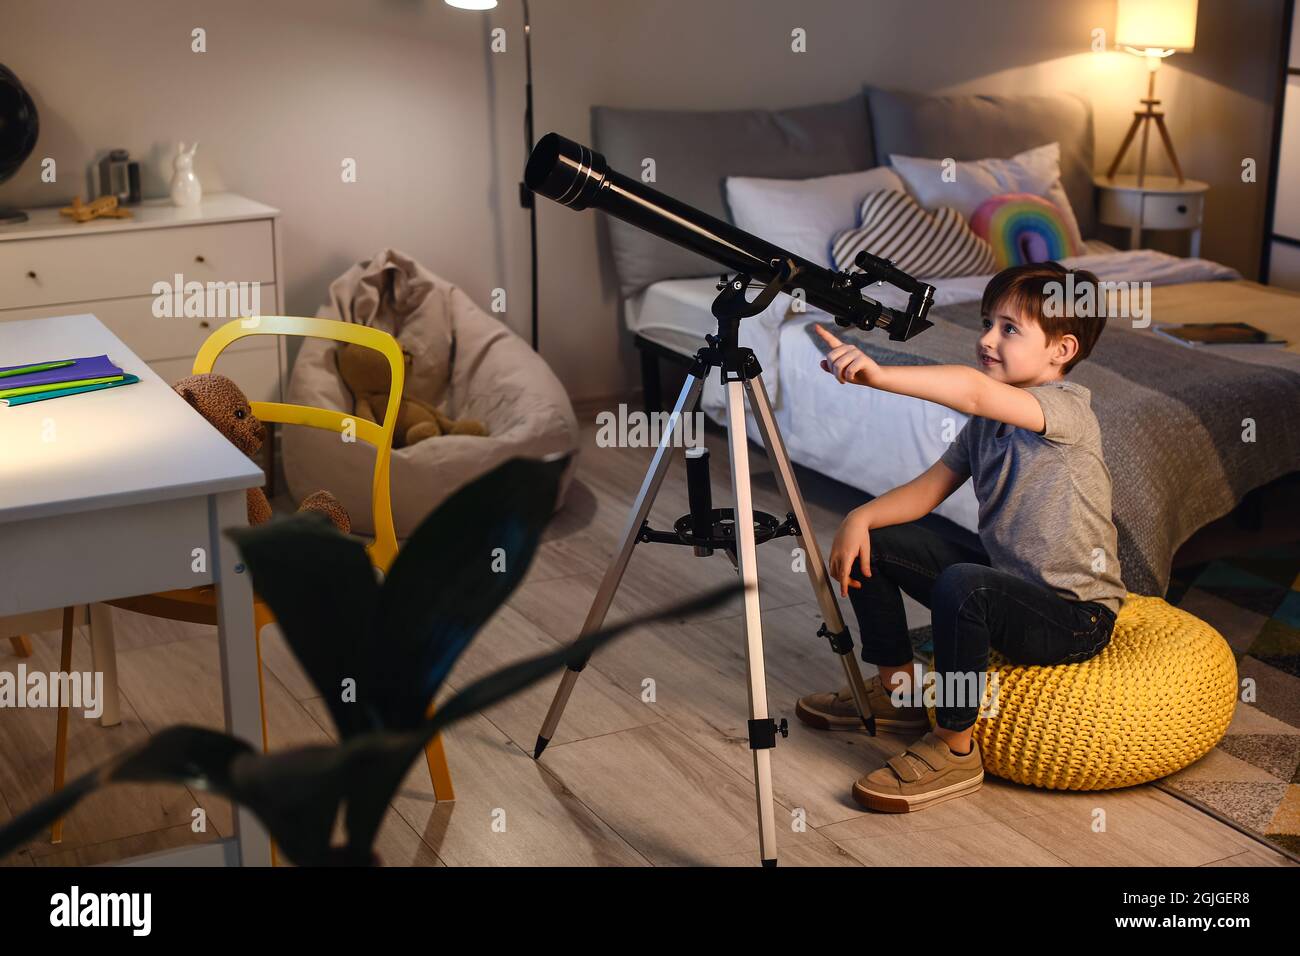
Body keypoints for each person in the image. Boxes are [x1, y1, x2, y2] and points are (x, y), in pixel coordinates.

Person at [796, 261, 1127, 813]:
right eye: (987, 323)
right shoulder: (986, 426)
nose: (987, 339)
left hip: (1073, 617)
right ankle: (898, 691)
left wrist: (879, 373)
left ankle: (954, 745)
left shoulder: (1067, 412)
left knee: (963, 585)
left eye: (1009, 329)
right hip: (1009, 585)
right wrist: (859, 518)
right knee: (878, 538)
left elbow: (971, 391)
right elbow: (927, 492)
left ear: (1061, 350)